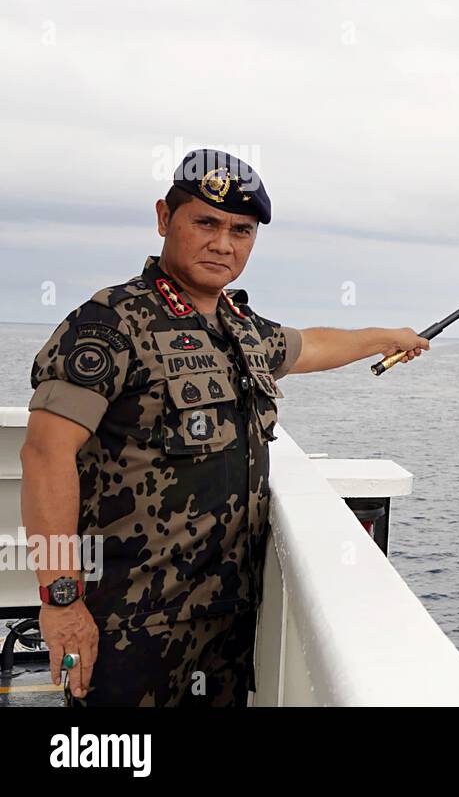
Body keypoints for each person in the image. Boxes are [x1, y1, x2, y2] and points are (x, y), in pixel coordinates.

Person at [20, 148, 430, 706]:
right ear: (165, 218)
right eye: (205, 223)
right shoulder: (111, 322)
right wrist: (62, 601)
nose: (223, 243)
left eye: (241, 230)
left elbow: (311, 345)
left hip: (226, 620)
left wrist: (387, 337)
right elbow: (45, 455)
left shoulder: (236, 326)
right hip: (132, 623)